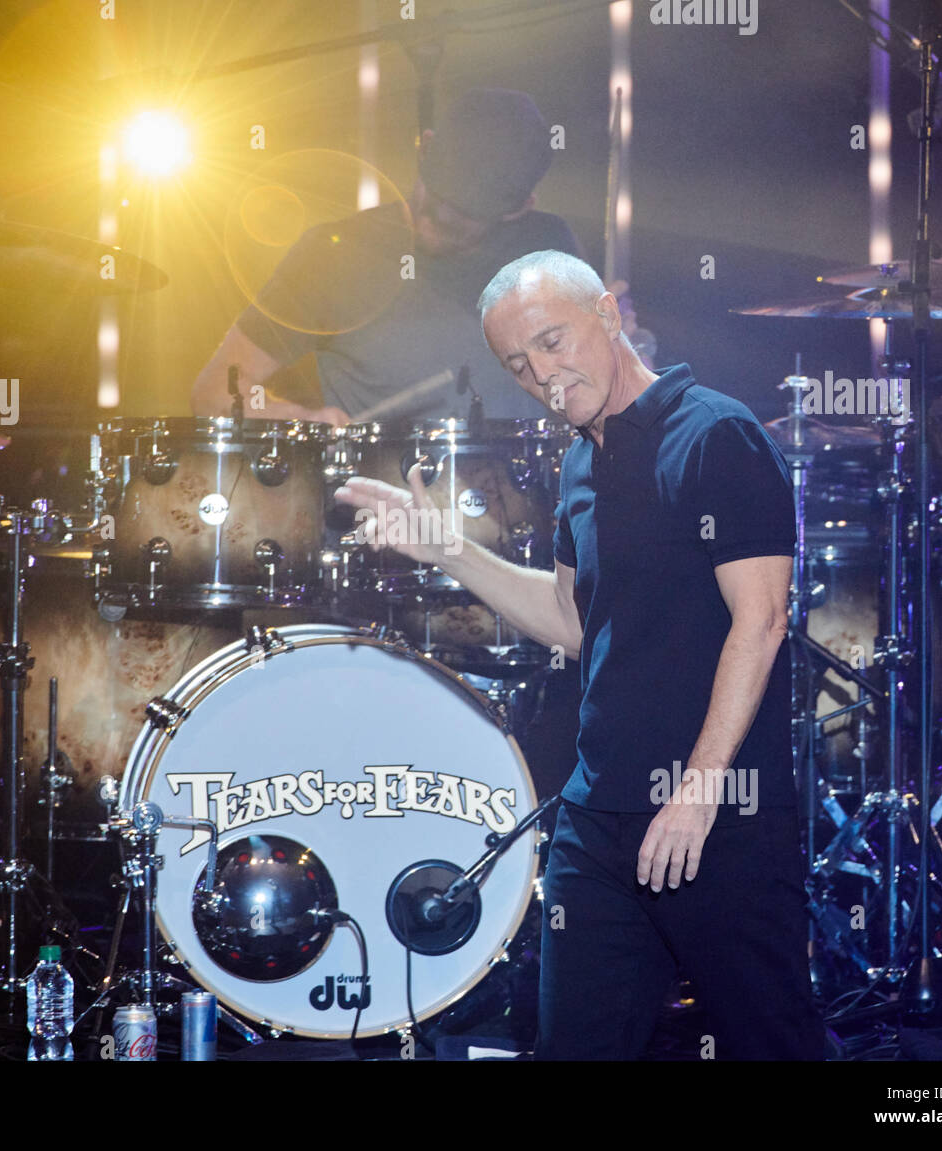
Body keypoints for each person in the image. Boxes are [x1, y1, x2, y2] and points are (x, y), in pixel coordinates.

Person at [334, 249, 827, 1060]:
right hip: (599, 821)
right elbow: (569, 618)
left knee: (773, 1043)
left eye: (554, 342)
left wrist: (697, 793)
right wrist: (448, 550)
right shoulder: (580, 463)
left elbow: (762, 619)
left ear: (608, 313)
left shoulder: (718, 435)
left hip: (719, 818)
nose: (544, 376)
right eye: (521, 365)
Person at [191, 88, 607, 424]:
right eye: (433, 197)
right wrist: (301, 420)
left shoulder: (549, 250)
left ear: (520, 208)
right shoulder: (333, 254)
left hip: (519, 512)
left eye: (461, 218)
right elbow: (215, 393)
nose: (432, 223)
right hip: (374, 516)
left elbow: (605, 390)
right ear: (424, 148)